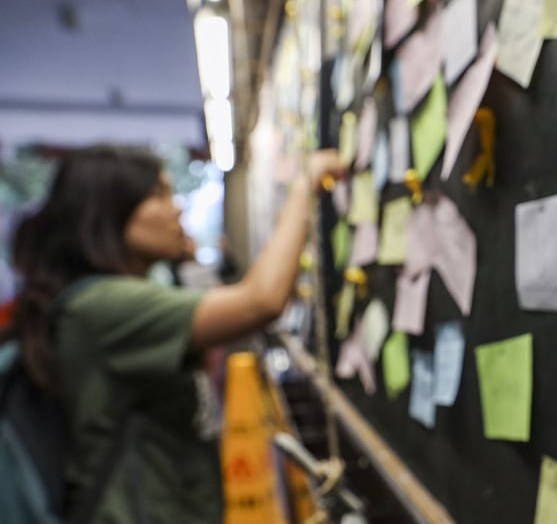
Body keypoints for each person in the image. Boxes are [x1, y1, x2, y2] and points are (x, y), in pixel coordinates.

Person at [4, 144, 345, 523]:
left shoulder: (113, 298)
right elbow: (261, 301)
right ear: (108, 213)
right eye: (158, 195)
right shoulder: (103, 305)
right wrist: (305, 183)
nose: (177, 208)